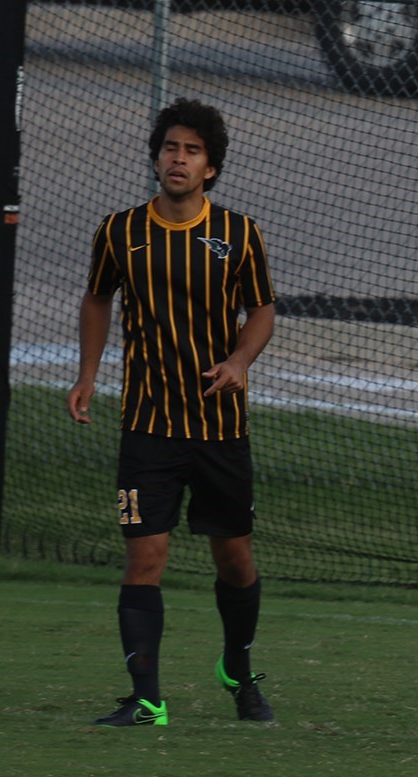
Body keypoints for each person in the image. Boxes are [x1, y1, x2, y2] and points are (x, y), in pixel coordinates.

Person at [68, 98, 277, 727]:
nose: (178, 159)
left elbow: (262, 311)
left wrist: (240, 360)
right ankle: (147, 699)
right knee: (145, 557)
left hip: (219, 428)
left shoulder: (239, 234)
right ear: (156, 157)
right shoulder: (119, 231)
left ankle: (237, 668)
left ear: (211, 167)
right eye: (169, 148)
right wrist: (87, 374)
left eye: (191, 151)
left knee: (234, 558)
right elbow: (97, 299)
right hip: (149, 427)